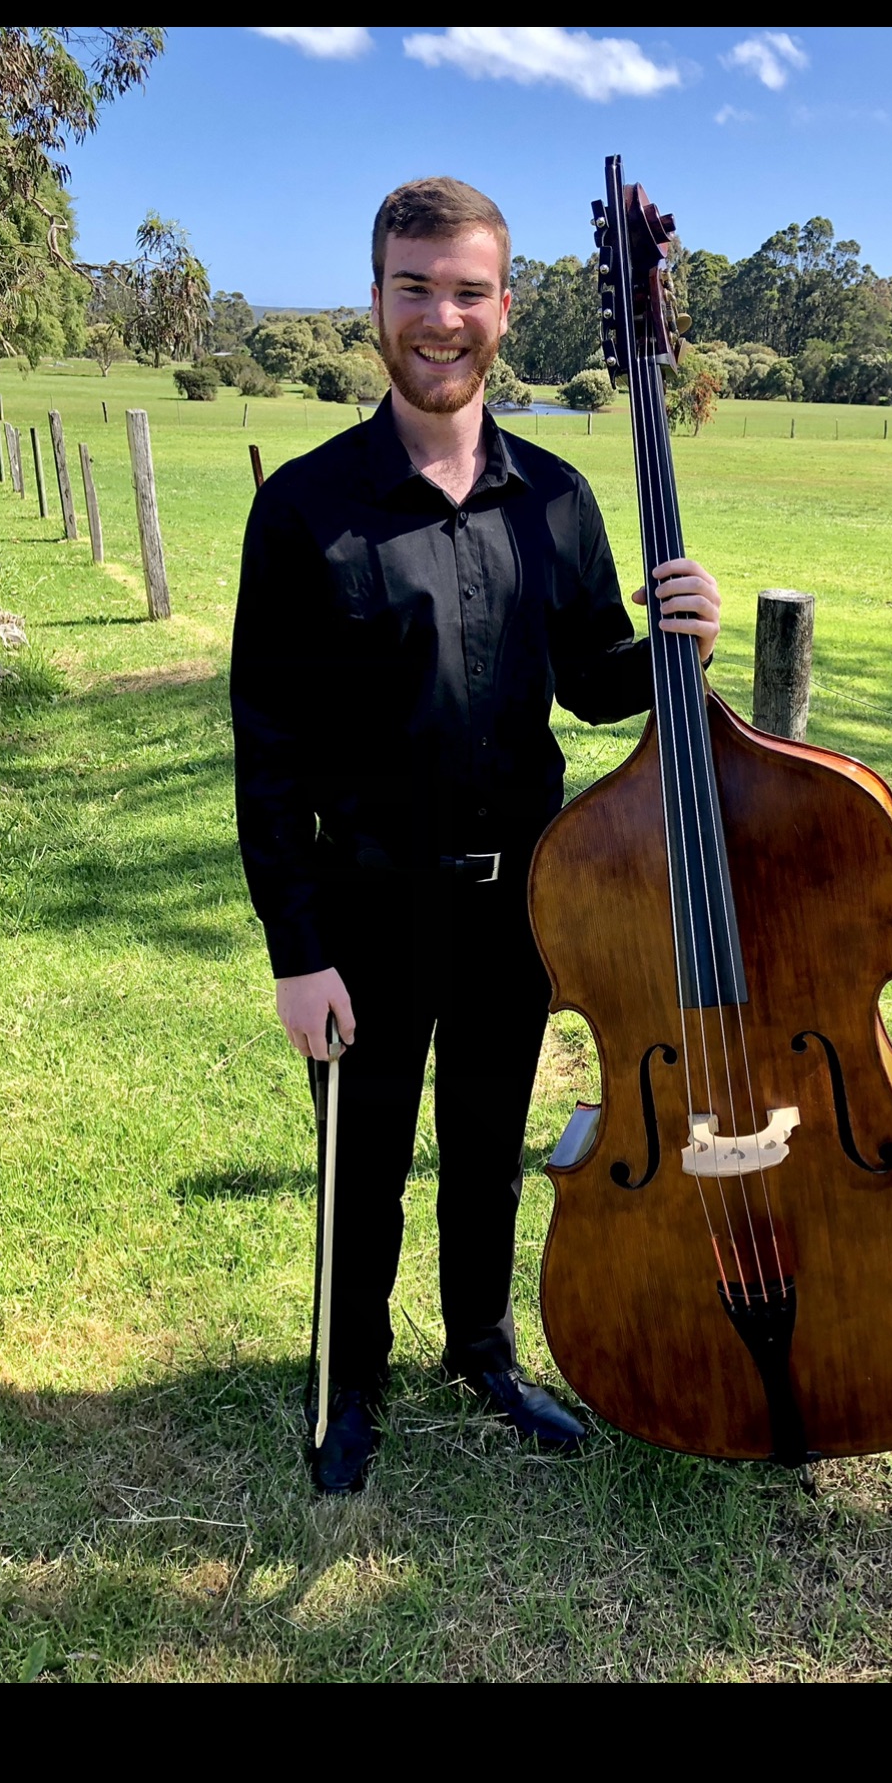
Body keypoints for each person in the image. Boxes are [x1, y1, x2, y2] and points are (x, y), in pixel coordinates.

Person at [231, 177, 721, 1496]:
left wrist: (677, 639)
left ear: (504, 307)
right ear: (376, 299)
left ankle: (480, 1353)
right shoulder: (305, 510)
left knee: (488, 1151)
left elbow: (594, 680)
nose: (439, 318)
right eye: (414, 288)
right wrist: (296, 949)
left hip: (524, 903)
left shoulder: (555, 500)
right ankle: (350, 1390)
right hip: (364, 902)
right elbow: (266, 744)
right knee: (366, 1163)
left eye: (465, 291)